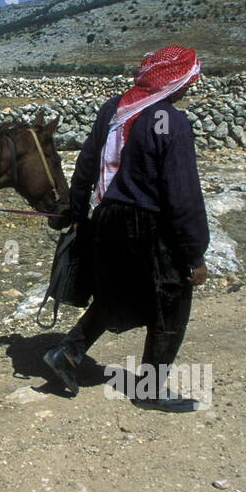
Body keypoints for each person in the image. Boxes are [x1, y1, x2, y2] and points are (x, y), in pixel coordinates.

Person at [43, 46, 209, 412]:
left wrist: (78, 210)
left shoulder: (114, 108)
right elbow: (182, 195)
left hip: (107, 219)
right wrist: (194, 252)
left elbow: (87, 164)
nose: (190, 87)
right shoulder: (170, 121)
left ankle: (67, 353)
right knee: (170, 304)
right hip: (149, 224)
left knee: (115, 292)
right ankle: (149, 390)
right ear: (176, 80)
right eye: (189, 79)